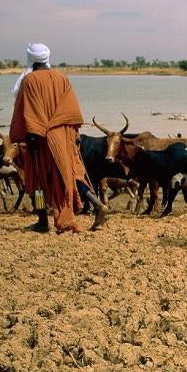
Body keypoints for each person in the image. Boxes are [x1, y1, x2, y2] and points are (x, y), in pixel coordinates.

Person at [9, 43, 109, 233]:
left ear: (30, 58)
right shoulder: (62, 78)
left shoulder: (29, 81)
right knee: (69, 175)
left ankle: (42, 221)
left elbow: (30, 112)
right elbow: (71, 110)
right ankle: (98, 205)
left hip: (42, 139)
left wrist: (32, 138)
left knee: (37, 181)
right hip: (64, 136)